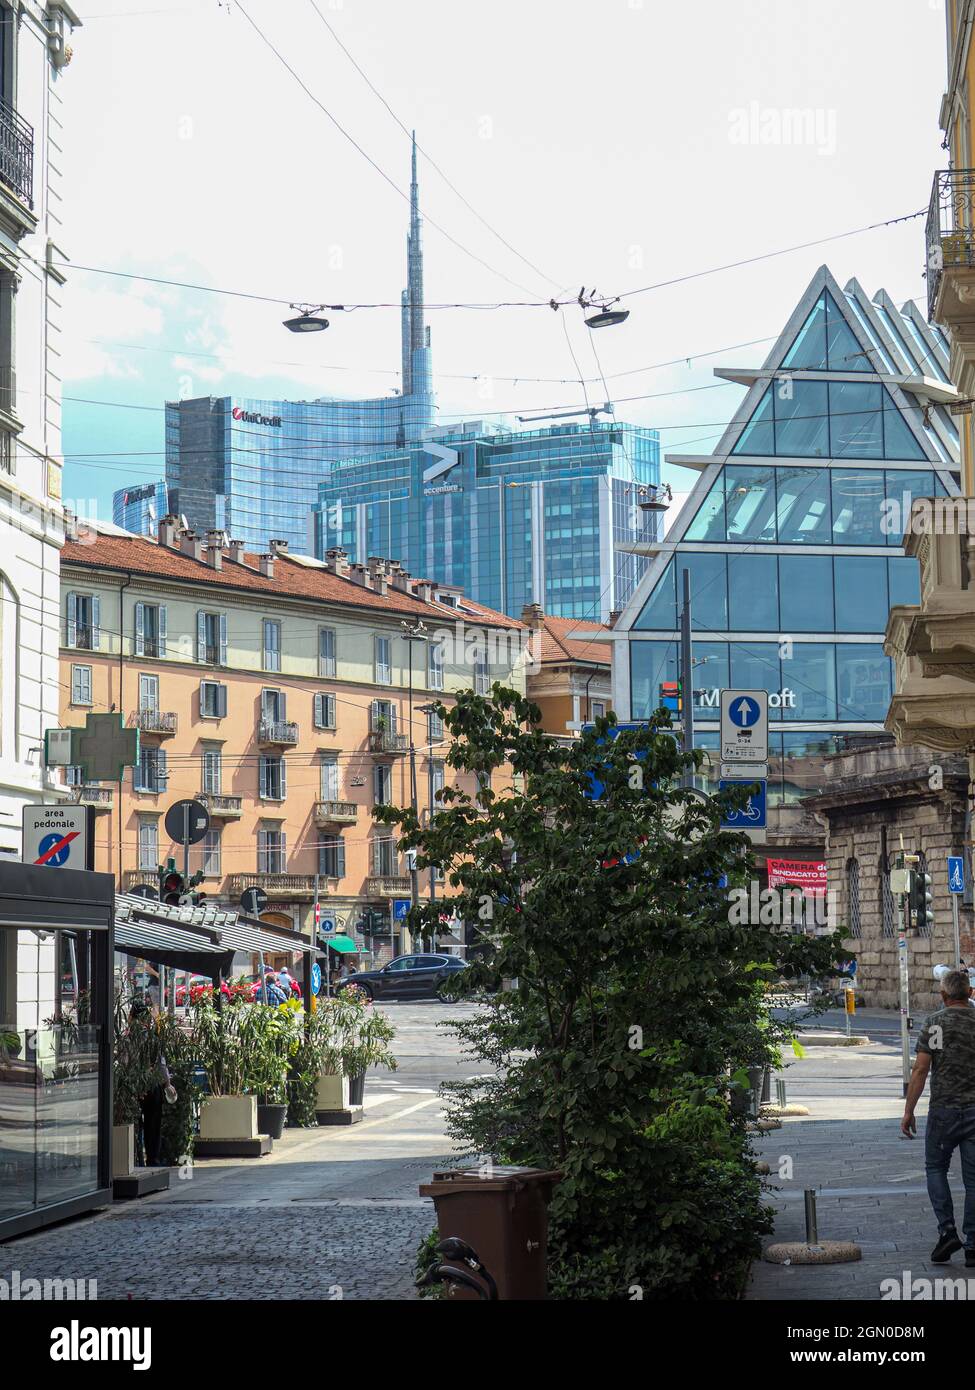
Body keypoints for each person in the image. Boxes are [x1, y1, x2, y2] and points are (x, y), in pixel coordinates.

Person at [902, 968, 975, 1265]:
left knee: (935, 1169)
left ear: (943, 996)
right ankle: (973, 1245)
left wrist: (908, 1111)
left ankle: (947, 1231)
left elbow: (920, 1069)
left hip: (943, 1112)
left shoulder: (935, 1024)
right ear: (970, 993)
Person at [128, 998, 176, 1168]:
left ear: (131, 1016)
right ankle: (153, 1159)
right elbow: (161, 1064)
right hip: (153, 1085)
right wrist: (167, 1084)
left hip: (133, 1086)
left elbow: (126, 1061)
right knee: (152, 1123)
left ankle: (133, 1159)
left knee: (132, 1124)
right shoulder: (152, 1037)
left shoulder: (128, 1037)